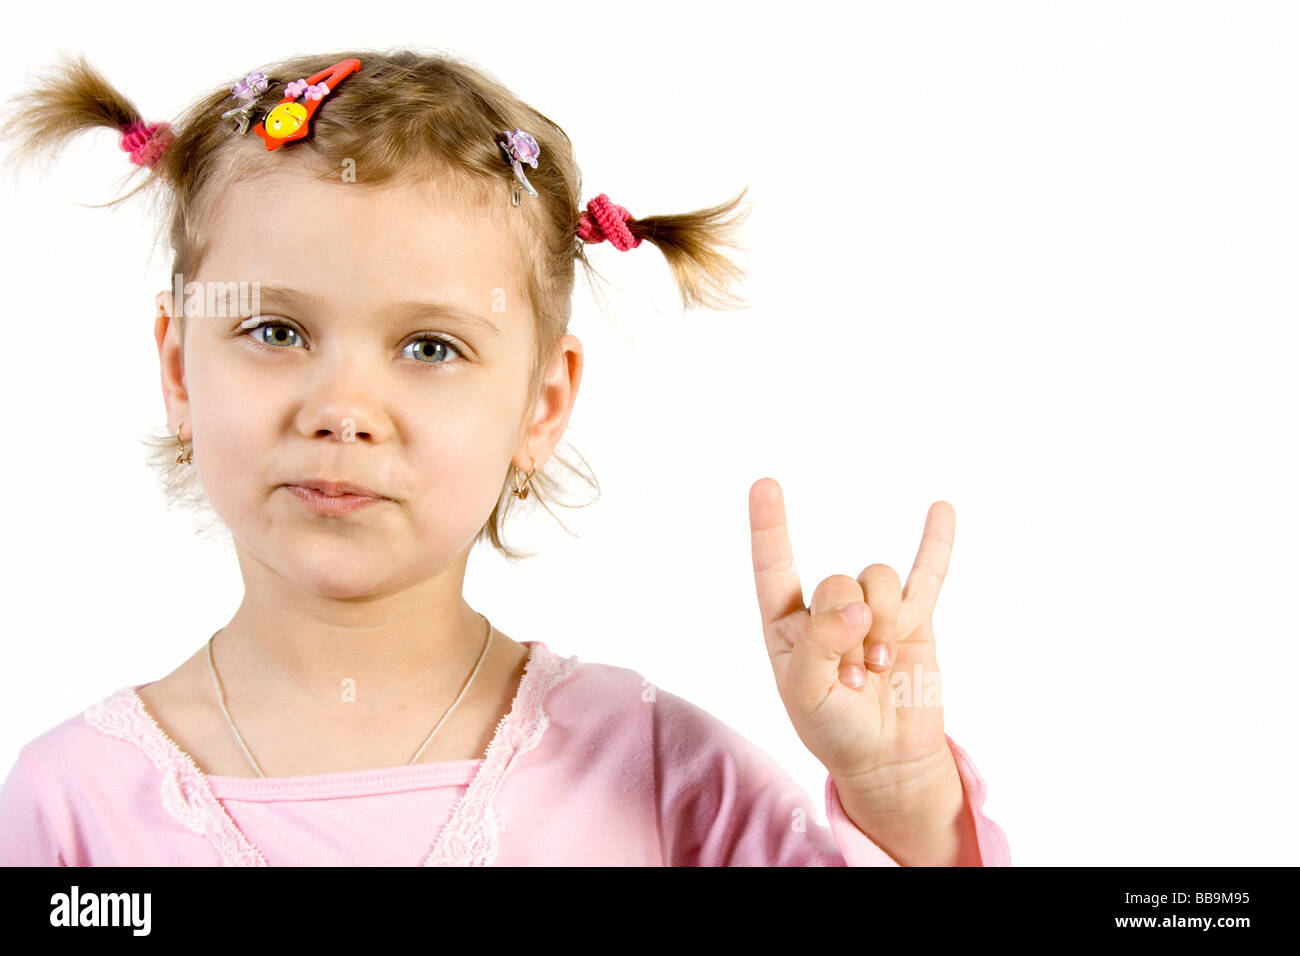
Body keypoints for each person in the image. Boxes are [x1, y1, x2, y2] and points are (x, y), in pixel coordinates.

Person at [0, 49, 1009, 866]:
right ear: (179, 366)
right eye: (275, 331)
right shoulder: (73, 804)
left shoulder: (656, 773)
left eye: (429, 347)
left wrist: (904, 801)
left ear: (542, 403)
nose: (343, 410)